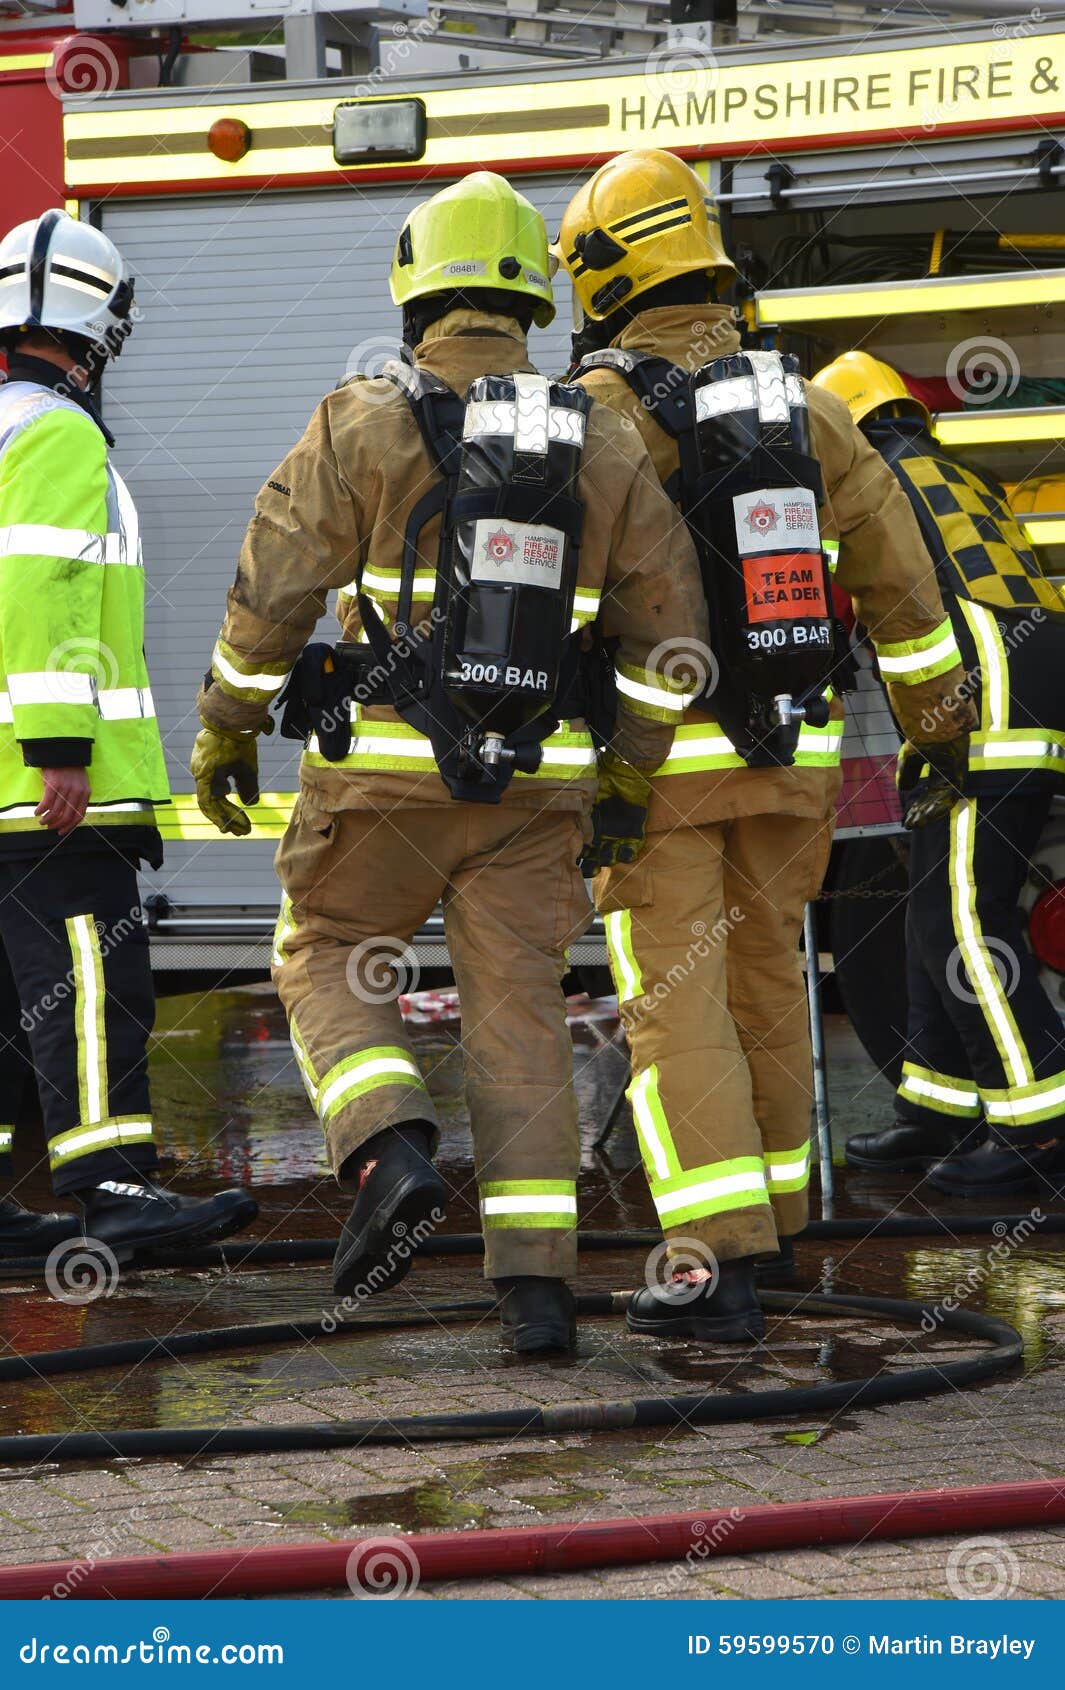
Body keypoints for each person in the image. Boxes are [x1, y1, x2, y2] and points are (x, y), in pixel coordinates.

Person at [190, 172, 707, 1355]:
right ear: (534, 291)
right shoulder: (603, 437)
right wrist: (628, 773)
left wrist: (228, 717)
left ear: (415, 285)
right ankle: (535, 1294)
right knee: (518, 1013)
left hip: (379, 787)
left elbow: (274, 589)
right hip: (536, 791)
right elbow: (669, 634)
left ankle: (391, 1148)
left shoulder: (361, 419)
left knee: (321, 948)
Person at [554, 149, 972, 1343]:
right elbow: (903, 589)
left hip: (653, 774)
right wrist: (938, 735)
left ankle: (709, 1263)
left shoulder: (596, 414)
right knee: (768, 989)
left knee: (671, 1007)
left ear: (604, 272)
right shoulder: (809, 406)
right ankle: (780, 1224)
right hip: (794, 761)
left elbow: (553, 605)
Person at [0, 209, 257, 1259]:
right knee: (92, 982)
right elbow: (42, 588)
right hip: (55, 787)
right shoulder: (54, 430)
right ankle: (114, 1188)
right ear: (96, 323)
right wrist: (59, 746)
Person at [815, 350, 1065, 1198]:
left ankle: (1039, 1129)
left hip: (982, 699)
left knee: (965, 920)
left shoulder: (871, 485)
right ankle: (940, 1107)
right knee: (931, 916)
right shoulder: (952, 473)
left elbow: (832, 599)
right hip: (998, 688)